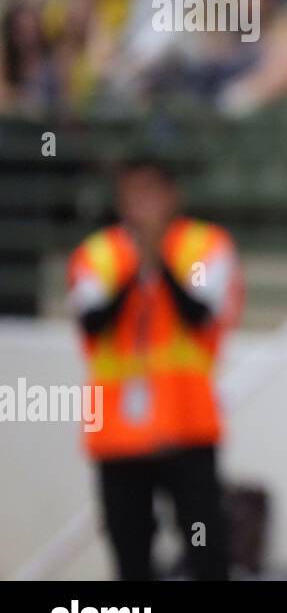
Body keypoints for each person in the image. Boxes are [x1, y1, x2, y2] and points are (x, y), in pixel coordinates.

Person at [66, 155, 244, 580]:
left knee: (206, 547)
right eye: (133, 192)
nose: (143, 202)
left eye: (152, 191)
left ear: (172, 196)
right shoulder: (99, 253)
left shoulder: (205, 246)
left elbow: (200, 314)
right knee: (130, 554)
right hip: (119, 434)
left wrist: (159, 260)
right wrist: (135, 265)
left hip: (188, 426)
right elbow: (92, 319)